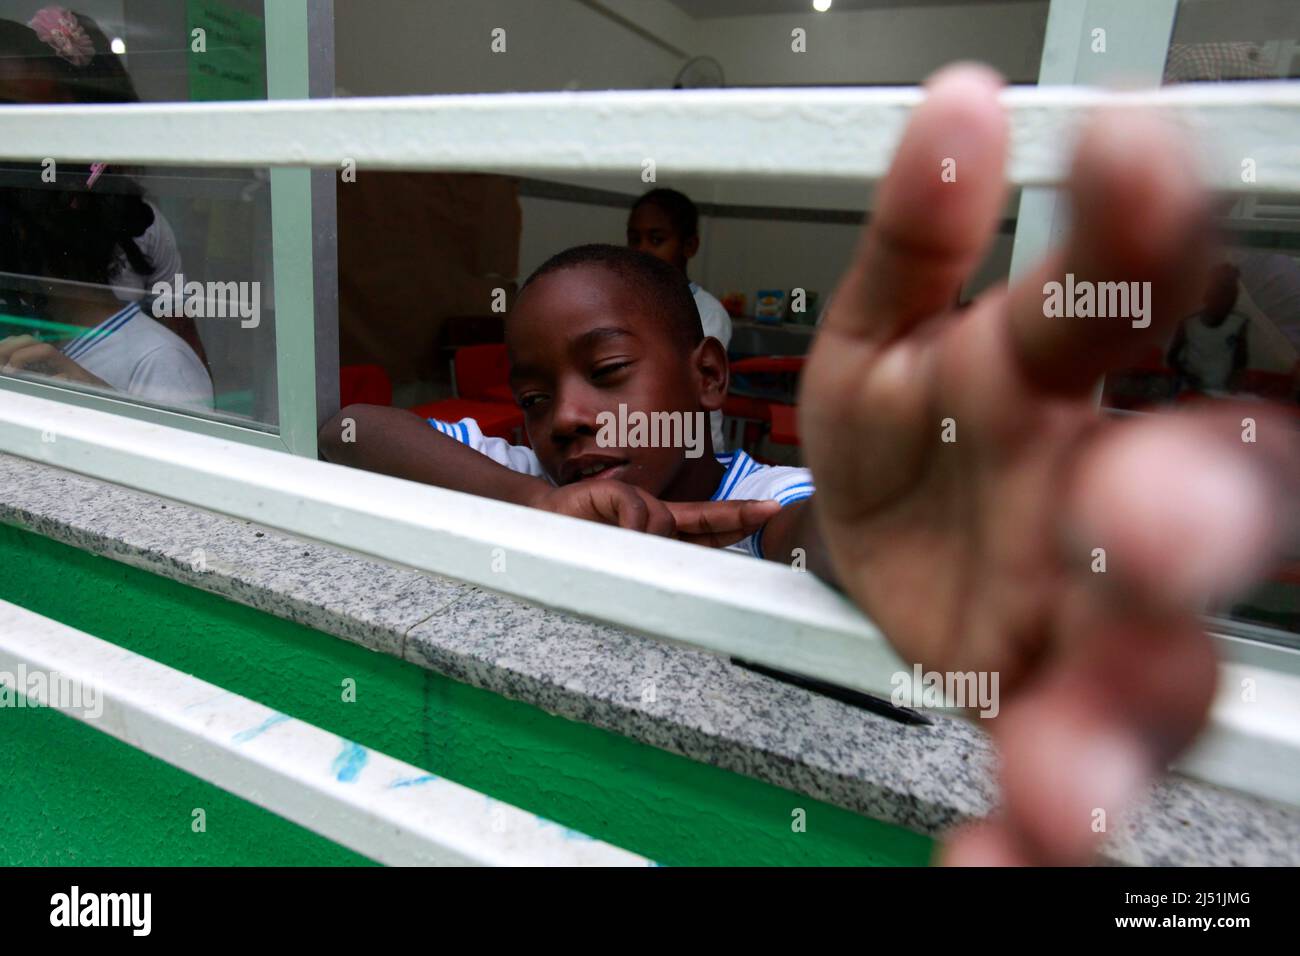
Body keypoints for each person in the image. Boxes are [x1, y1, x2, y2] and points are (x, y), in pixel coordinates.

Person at [323, 65, 1298, 866]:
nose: (568, 417)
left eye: (607, 372)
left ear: (709, 378)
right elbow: (351, 428)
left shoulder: (760, 497)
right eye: (536, 399)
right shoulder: (537, 472)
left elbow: (815, 533)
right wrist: (533, 498)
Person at [0, 163, 214, 409]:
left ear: (23, 237)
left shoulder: (159, 360)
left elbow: (186, 446)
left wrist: (101, 400)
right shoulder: (39, 343)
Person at [627, 187, 732, 451]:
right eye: (634, 239)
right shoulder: (622, 303)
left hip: (694, 450)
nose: (642, 250)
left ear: (689, 246)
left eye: (656, 239)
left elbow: (683, 382)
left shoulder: (708, 312)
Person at [1167, 262, 1250, 395]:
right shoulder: (1189, 324)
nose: (1228, 301)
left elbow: (1241, 361)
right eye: (1222, 296)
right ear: (1208, 296)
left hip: (1222, 392)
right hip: (1190, 392)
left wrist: (1235, 379)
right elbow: (1171, 358)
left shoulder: (1239, 323)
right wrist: (1187, 375)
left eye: (1232, 296)